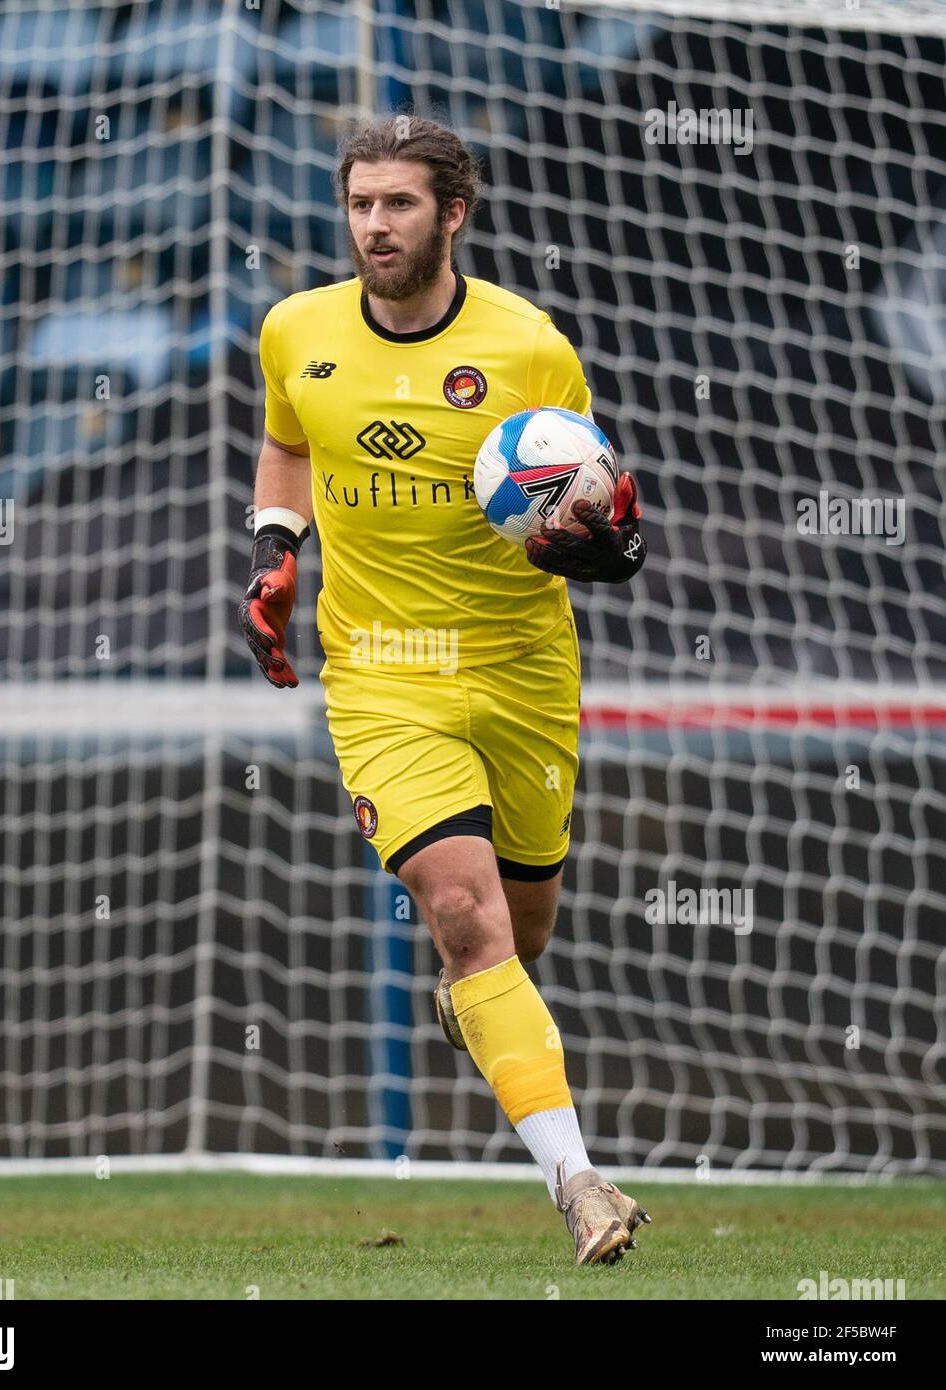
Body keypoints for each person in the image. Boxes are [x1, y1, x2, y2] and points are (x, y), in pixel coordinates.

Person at [239, 115, 649, 1265]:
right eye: (361, 203)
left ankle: (479, 996)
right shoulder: (296, 329)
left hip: (523, 668)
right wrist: (277, 551)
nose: (376, 224)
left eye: (400, 205)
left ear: (452, 214)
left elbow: (602, 504)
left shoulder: (530, 347)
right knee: (465, 915)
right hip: (381, 672)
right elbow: (289, 444)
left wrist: (602, 546)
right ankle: (580, 1183)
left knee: (518, 935)